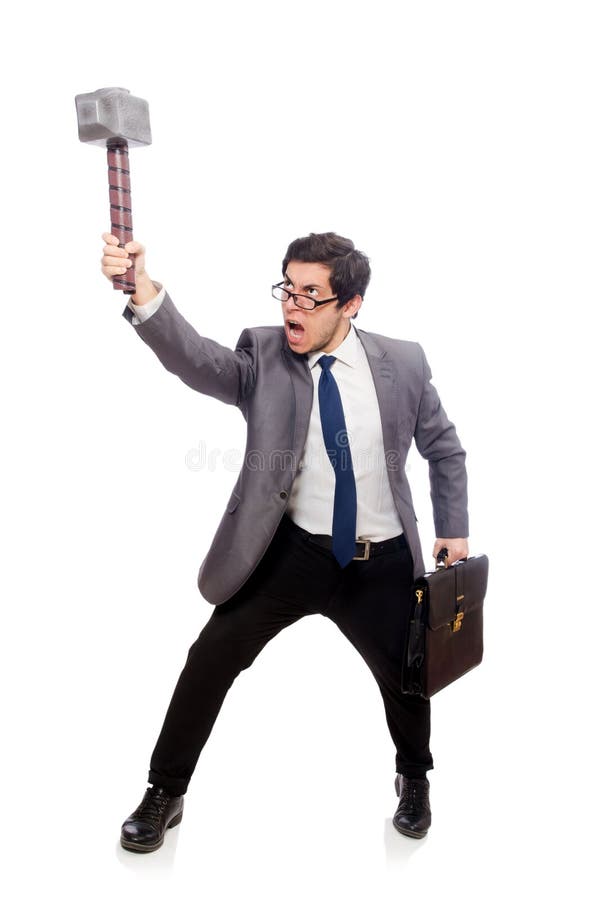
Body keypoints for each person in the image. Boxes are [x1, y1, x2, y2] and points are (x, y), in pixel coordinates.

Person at [101, 231, 469, 852]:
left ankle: (414, 779)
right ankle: (165, 791)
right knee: (210, 658)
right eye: (287, 290)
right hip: (293, 552)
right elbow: (199, 360)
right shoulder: (266, 357)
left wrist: (453, 528)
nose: (292, 308)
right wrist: (143, 290)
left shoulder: (403, 364)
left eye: (311, 296)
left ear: (351, 305)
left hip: (380, 559)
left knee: (408, 677)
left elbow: (444, 447)